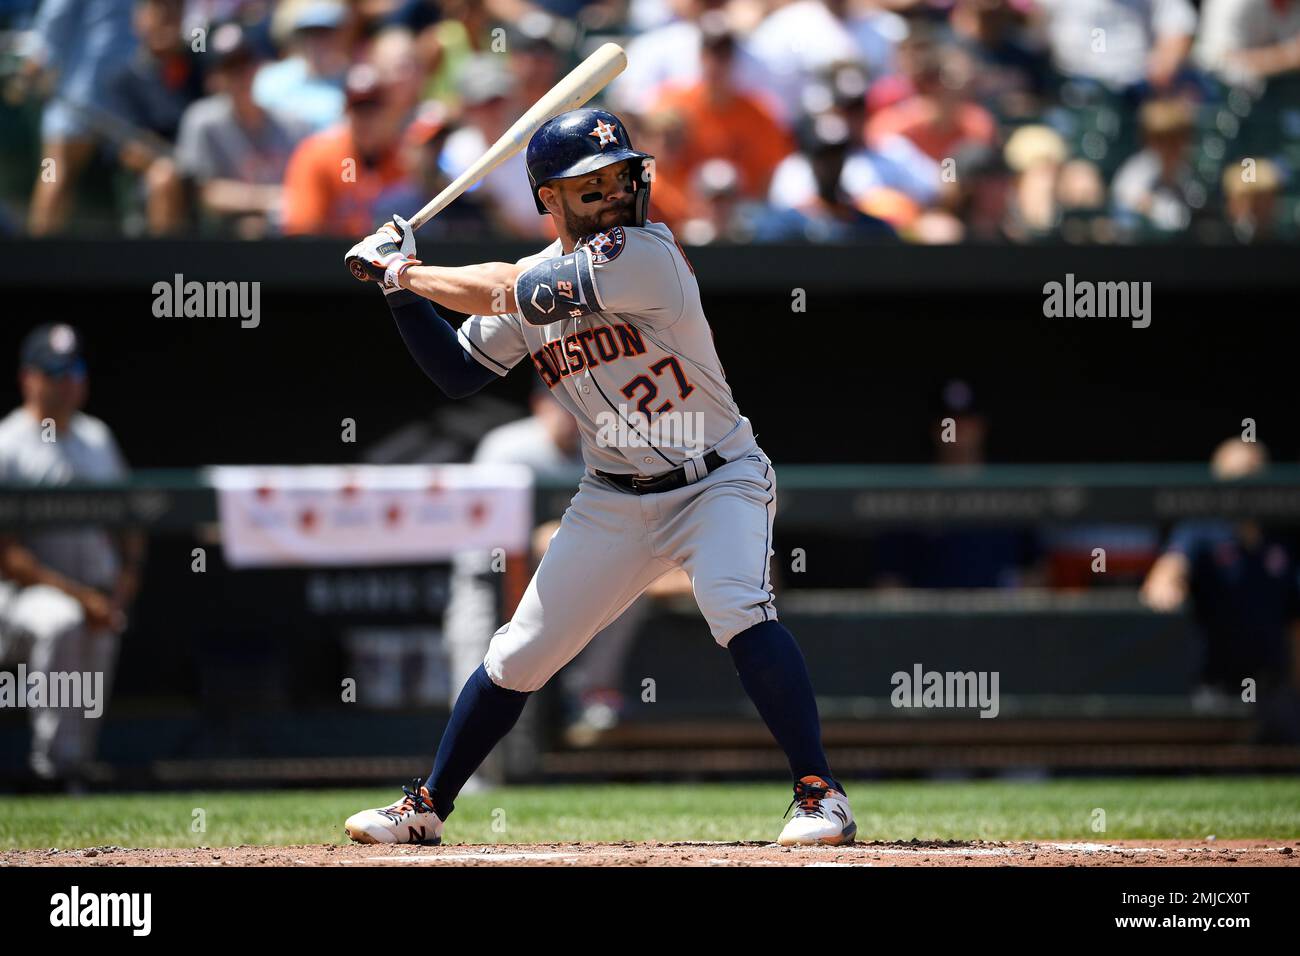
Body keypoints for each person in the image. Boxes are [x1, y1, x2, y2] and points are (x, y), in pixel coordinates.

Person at [342, 107, 856, 847]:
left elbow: (504, 291)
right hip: (614, 495)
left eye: (620, 177)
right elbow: (457, 371)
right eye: (591, 185)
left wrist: (404, 270)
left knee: (734, 603)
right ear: (547, 198)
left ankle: (819, 793)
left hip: (716, 479)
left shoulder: (643, 253)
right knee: (520, 652)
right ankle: (425, 806)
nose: (614, 194)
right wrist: (399, 296)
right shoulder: (535, 274)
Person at [0, 324, 144, 786]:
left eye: (74, 369)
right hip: (20, 596)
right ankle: (51, 771)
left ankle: (74, 769)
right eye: (54, 370)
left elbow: (131, 520)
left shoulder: (97, 437)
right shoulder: (8, 443)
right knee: (62, 620)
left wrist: (124, 585)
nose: (66, 380)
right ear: (29, 377)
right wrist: (86, 599)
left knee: (100, 627)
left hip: (95, 594)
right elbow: (8, 556)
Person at [1141, 438, 1300, 742]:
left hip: (1274, 689)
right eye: (1235, 479)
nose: (1245, 488)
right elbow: (1168, 569)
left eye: (1254, 477)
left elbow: (1295, 622)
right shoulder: (1201, 530)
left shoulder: (1283, 536)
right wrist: (1167, 582)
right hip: (1215, 690)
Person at [174, 21, 311, 237]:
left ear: (257, 67)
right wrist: (267, 200)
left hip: (285, 227)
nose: (241, 73)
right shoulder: (202, 120)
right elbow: (202, 192)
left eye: (245, 62)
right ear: (214, 77)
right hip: (222, 234)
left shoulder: (291, 124)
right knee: (250, 230)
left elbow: (306, 185)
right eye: (230, 66)